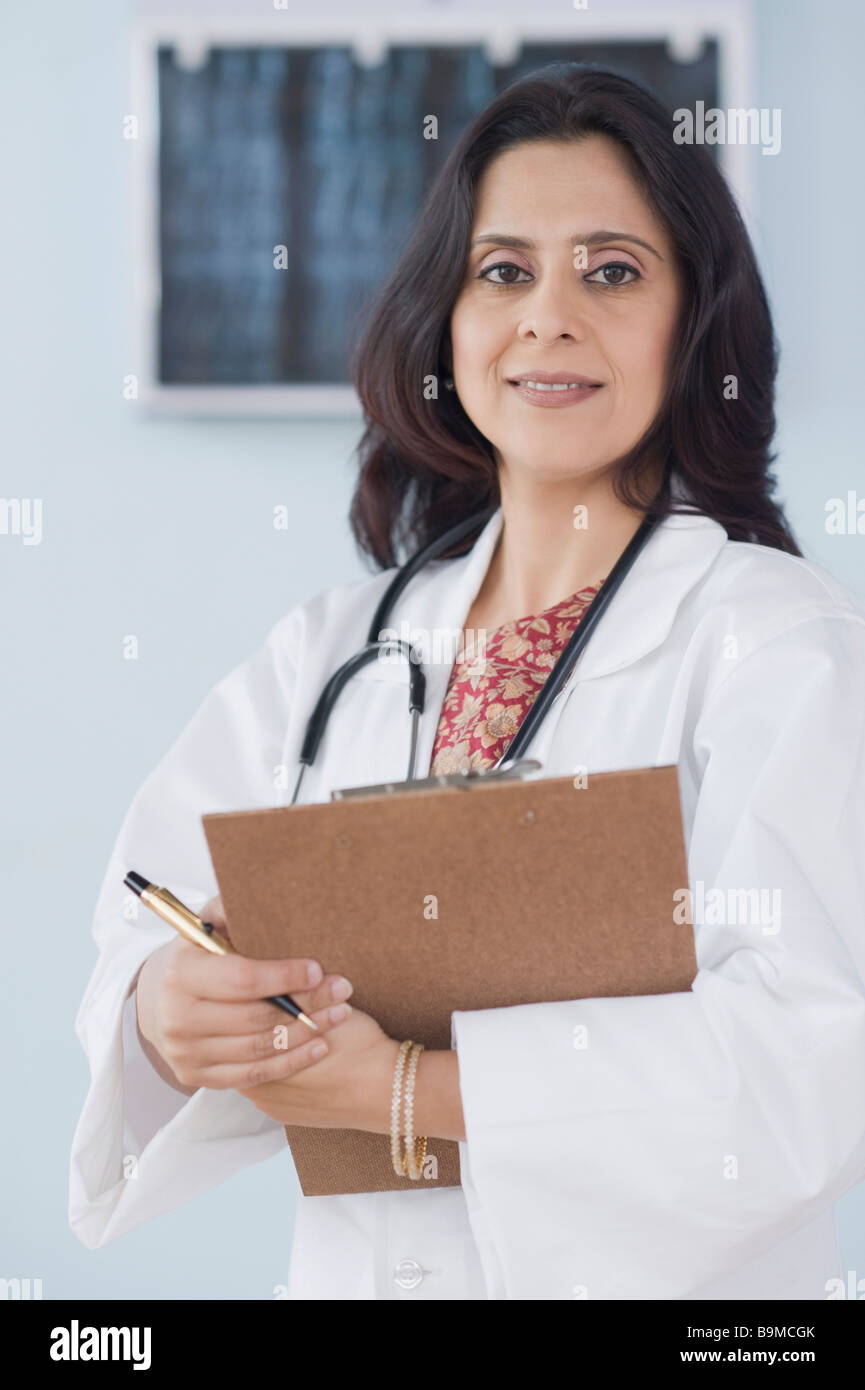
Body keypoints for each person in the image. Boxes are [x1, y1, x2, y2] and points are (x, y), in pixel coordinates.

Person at [70, 63, 865, 1300]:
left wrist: (412, 1090)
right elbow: (146, 923)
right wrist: (164, 1012)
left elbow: (806, 1061)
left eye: (611, 270)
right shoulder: (332, 649)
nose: (547, 316)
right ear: (446, 317)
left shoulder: (771, 639)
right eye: (503, 271)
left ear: (693, 319)